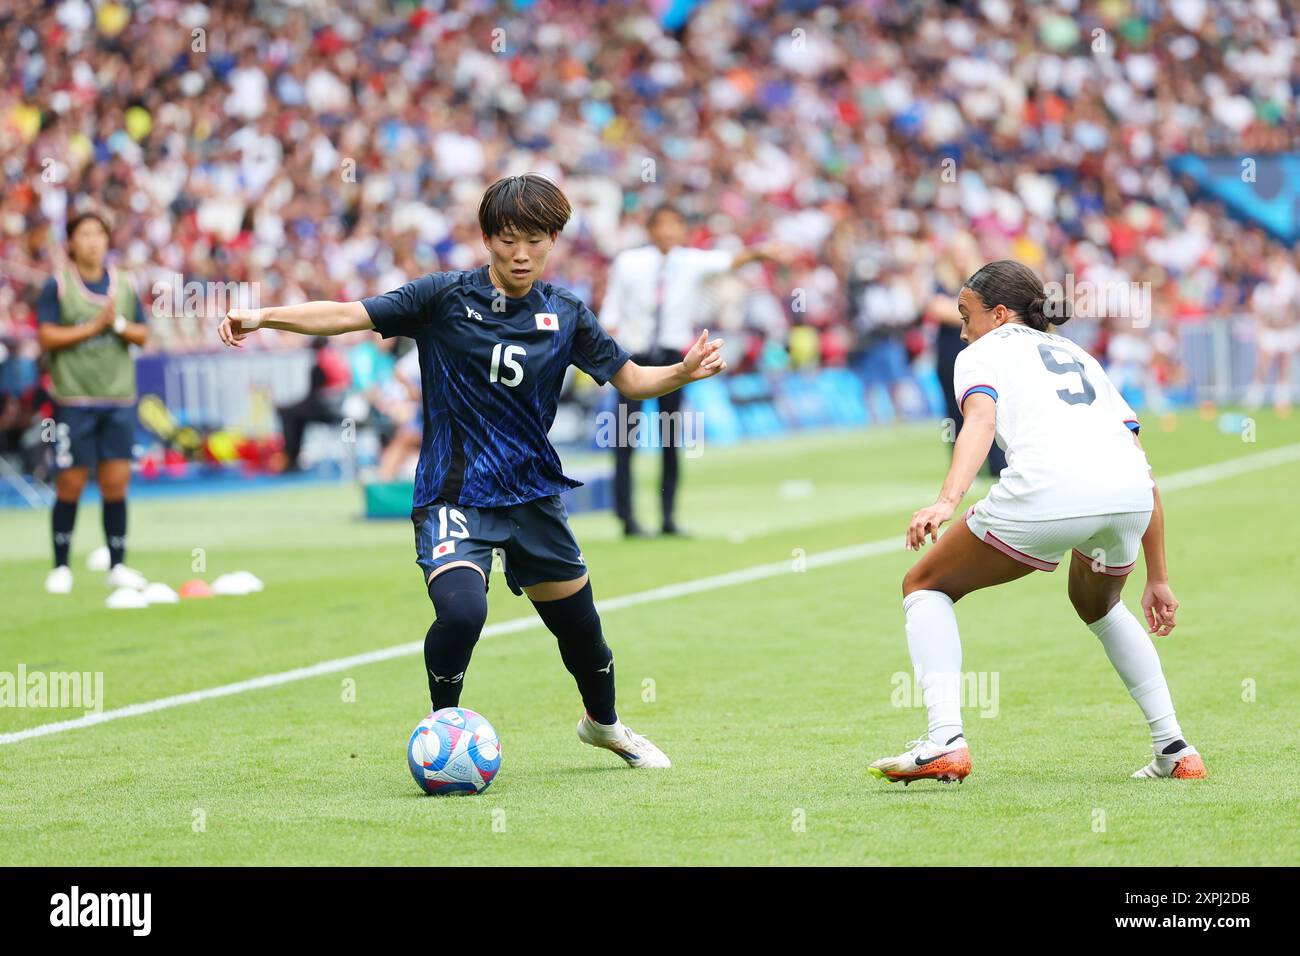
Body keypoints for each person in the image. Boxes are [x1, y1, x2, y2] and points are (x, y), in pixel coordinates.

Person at [219, 174, 727, 769]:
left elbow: (633, 380)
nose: (521, 253)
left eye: (535, 240)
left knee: (582, 633)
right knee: (463, 612)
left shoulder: (565, 313)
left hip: (532, 494)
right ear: (486, 238)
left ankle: (605, 726)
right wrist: (263, 317)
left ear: (554, 240)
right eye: (508, 239)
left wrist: (684, 372)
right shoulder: (442, 298)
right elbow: (347, 314)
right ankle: (443, 734)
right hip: (454, 493)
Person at [868, 260, 1204, 785]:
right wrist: (1158, 578)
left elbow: (979, 420)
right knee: (1098, 604)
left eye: (966, 314)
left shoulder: (982, 351)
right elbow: (1139, 461)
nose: (961, 329)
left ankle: (945, 741)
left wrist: (946, 500)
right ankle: (1176, 748)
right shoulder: (1081, 355)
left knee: (923, 584)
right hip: (1129, 496)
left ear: (999, 314)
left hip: (1050, 489)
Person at [599, 203, 774, 537]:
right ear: (650, 229)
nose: (668, 232)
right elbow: (612, 306)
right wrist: (608, 342)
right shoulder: (628, 262)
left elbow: (731, 261)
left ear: (682, 229)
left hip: (674, 360)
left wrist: (762, 252)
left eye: (675, 224)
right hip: (631, 359)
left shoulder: (691, 262)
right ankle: (627, 518)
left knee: (670, 439)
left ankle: (667, 517)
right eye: (662, 225)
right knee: (624, 440)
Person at [37, 210, 150, 594]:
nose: (92, 241)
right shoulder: (58, 285)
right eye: (84, 234)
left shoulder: (125, 285)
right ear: (71, 241)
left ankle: (117, 565)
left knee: (116, 483)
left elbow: (142, 334)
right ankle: (60, 566)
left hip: (118, 399)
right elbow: (47, 337)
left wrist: (115, 324)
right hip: (75, 399)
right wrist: (91, 328)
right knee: (69, 483)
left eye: (98, 234)